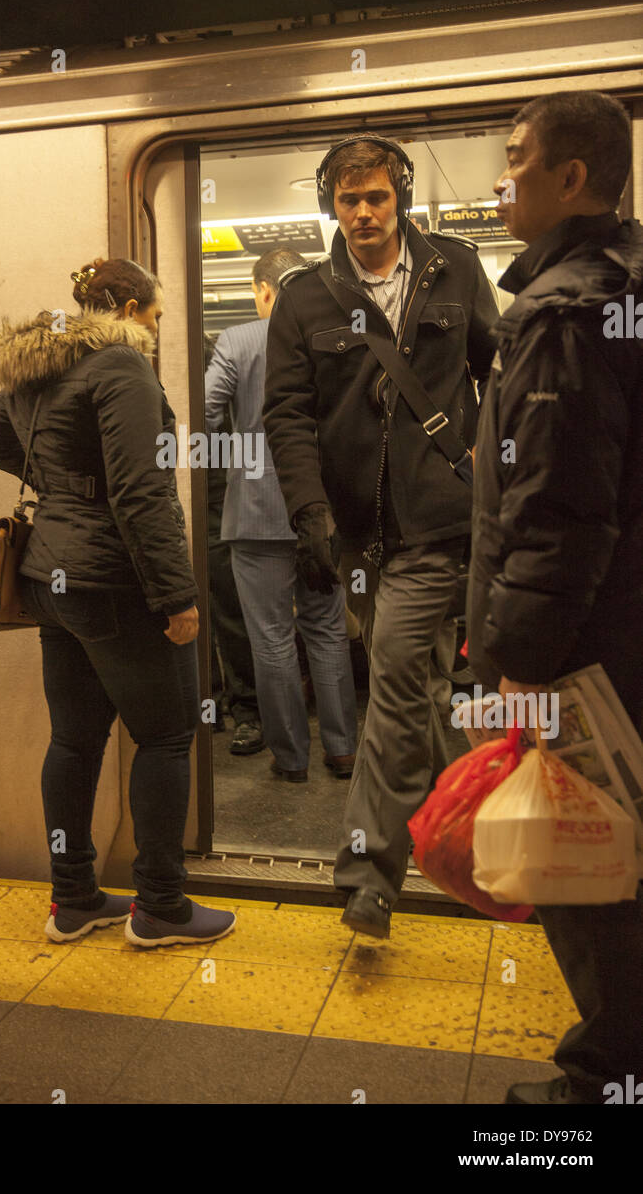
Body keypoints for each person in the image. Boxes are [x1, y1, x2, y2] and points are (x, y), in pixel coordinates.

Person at [263, 135, 498, 937]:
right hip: (354, 535)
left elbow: (496, 371)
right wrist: (311, 517)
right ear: (330, 205)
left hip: (438, 522)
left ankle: (367, 875)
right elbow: (286, 417)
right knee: (421, 688)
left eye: (377, 198)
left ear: (400, 198)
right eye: (347, 200)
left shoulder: (456, 269)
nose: (362, 213)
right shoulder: (303, 297)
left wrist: (489, 459)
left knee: (393, 682)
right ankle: (483, 826)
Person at [0, 257, 235, 948]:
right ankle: (161, 907)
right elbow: (142, 493)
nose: (156, 327)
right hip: (113, 582)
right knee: (168, 735)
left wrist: (59, 485)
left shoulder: (43, 367)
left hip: (53, 579)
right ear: (129, 309)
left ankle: (75, 897)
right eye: (155, 314)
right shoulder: (121, 368)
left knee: (75, 740)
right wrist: (176, 596)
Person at [466, 91, 643, 1105]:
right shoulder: (623, 284)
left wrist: (517, 665)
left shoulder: (560, 312)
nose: (504, 177)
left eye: (516, 159)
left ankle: (605, 1081)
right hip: (625, 622)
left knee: (585, 865)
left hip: (583, 646)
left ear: (568, 177)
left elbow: (555, 509)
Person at [205, 248, 358, 779]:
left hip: (254, 511)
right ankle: (342, 749)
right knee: (327, 628)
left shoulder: (238, 340)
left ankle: (291, 758)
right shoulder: (333, 335)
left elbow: (205, 412)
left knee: (270, 636)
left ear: (262, 291)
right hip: (321, 506)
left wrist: (241, 454)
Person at [202, 331, 264, 752]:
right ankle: (211, 708)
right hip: (192, 501)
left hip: (220, 499)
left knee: (229, 612)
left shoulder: (215, 374)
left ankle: (247, 711)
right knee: (197, 611)